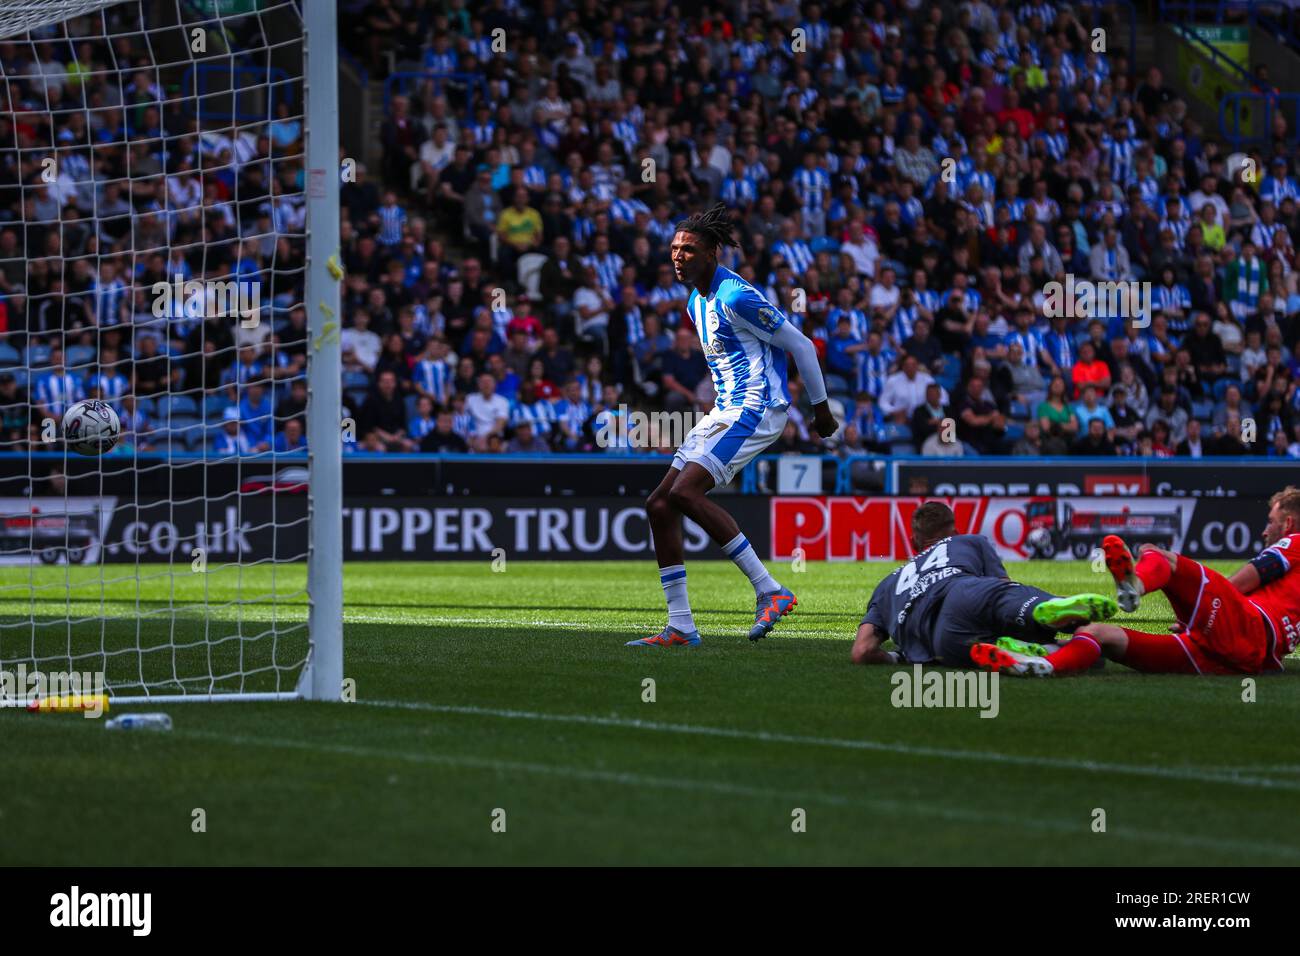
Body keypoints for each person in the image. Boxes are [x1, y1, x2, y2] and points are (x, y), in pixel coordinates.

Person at [630, 204, 836, 648]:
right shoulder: (695, 301)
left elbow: (801, 345)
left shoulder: (736, 296)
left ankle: (770, 590)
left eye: (688, 249)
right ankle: (682, 625)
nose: (678, 256)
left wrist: (820, 409)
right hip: (725, 409)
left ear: (713, 252)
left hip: (756, 408)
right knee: (660, 505)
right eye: (674, 249)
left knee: (685, 493)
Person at [972, 487, 1300, 676]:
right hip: (1242, 660)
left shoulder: (1296, 540)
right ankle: (1044, 664)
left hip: (1247, 630)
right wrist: (1198, 621)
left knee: (1158, 555)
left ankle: (1134, 586)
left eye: (1270, 521)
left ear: (1287, 523)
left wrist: (1210, 606)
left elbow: (1252, 576)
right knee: (1099, 634)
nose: (1264, 531)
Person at [851, 501, 1118, 667]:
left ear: (913, 542)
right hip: (965, 590)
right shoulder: (969, 541)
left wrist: (897, 657)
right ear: (954, 533)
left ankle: (1027, 650)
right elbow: (1001, 586)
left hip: (941, 642)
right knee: (1010, 602)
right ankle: (1046, 609)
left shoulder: (887, 584)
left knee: (1087, 661)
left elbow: (862, 651)